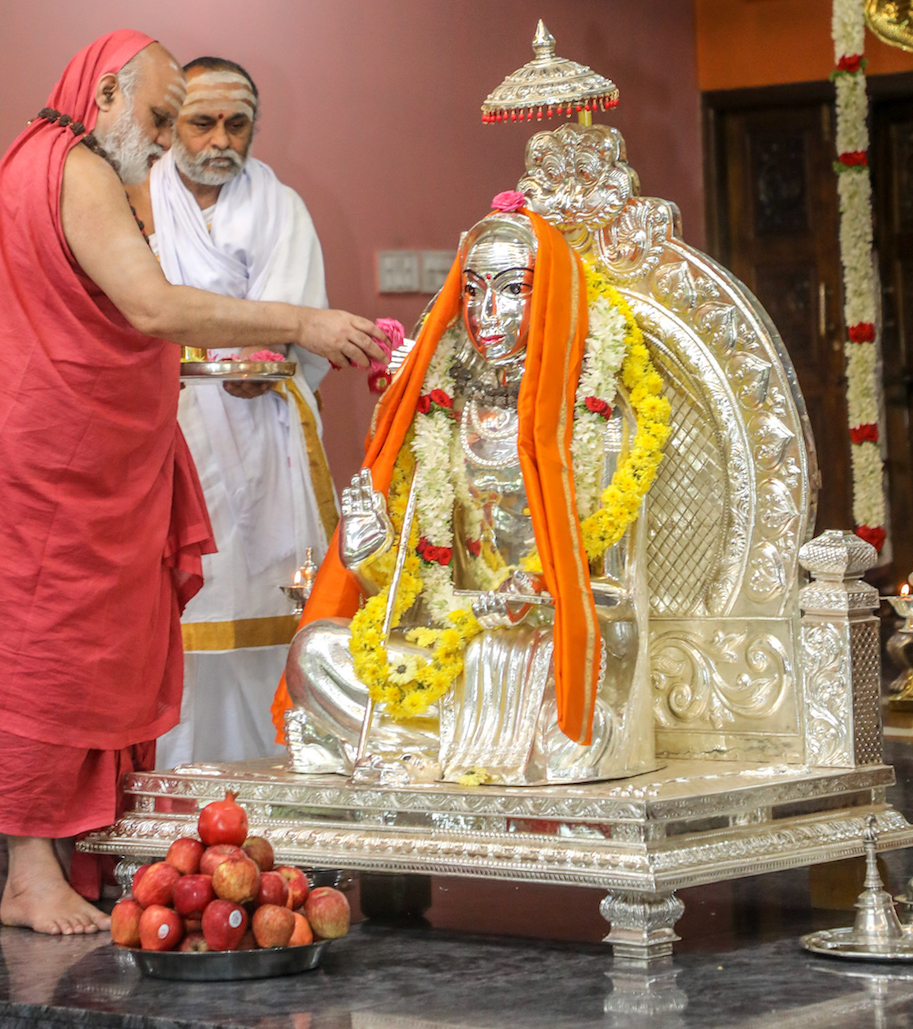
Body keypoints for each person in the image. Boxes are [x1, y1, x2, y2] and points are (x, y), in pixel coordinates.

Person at [0, 30, 383, 936]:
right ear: (102, 96)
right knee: (49, 652)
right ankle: (31, 873)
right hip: (49, 468)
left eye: (201, 118)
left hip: (71, 454)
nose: (177, 134)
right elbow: (151, 306)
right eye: (165, 114)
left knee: (76, 643)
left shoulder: (44, 162)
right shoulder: (79, 172)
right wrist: (302, 319)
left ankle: (72, 850)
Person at [273, 196, 669, 786]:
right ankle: (423, 743)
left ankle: (405, 747)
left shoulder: (601, 418)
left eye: (513, 289)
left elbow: (617, 589)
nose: (488, 311)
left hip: (548, 645)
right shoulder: (442, 414)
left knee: (569, 722)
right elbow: (413, 588)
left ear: (553, 300)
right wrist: (368, 553)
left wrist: (539, 600)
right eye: (475, 290)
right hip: (452, 645)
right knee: (316, 654)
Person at [126, 58, 336, 768]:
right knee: (174, 621)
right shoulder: (136, 201)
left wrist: (263, 351)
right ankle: (172, 792)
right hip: (169, 435)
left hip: (264, 433)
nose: (221, 139)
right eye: (202, 122)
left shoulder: (282, 206)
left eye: (237, 124)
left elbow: (289, 324)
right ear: (172, 125)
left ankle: (277, 786)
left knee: (275, 619)